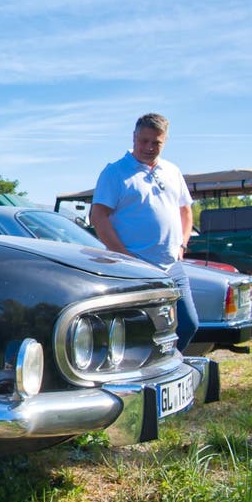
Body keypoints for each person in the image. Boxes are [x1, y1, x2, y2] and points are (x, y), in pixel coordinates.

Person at [89, 113, 197, 351]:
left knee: (188, 325)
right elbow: (98, 216)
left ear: (165, 141)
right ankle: (145, 377)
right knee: (142, 333)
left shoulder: (172, 170)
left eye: (156, 143)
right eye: (144, 141)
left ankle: (168, 371)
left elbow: (186, 211)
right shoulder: (116, 172)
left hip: (172, 267)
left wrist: (182, 245)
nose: (149, 147)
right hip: (136, 267)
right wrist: (123, 255)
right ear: (134, 137)